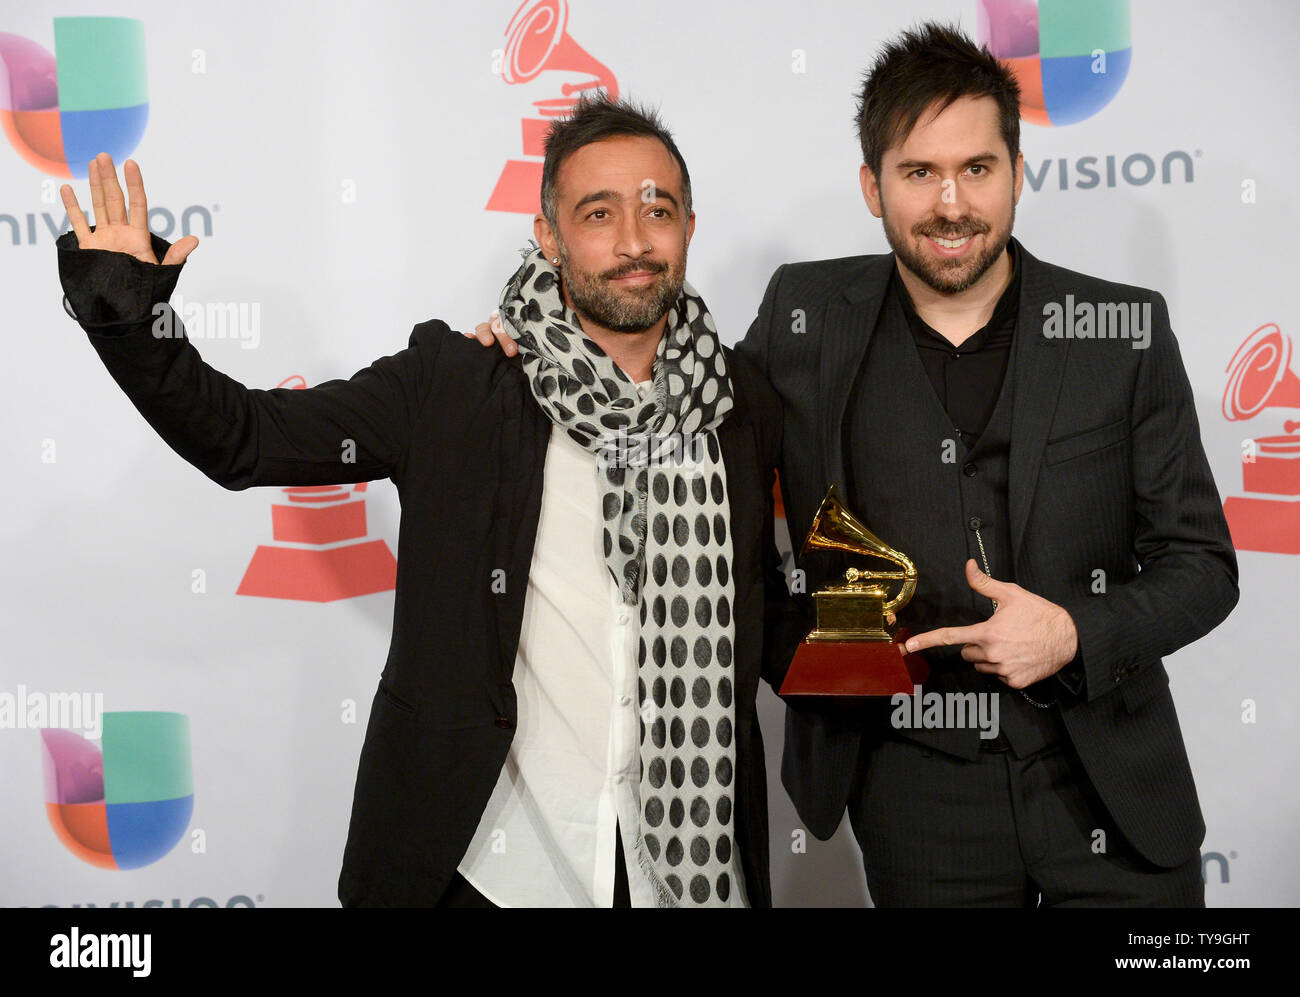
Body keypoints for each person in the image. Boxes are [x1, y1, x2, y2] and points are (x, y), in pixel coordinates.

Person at [54, 96, 791, 907]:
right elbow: (244, 436)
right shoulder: (458, 382)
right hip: (489, 865)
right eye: (597, 212)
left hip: (684, 868)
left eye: (658, 209)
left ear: (689, 223)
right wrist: (130, 308)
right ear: (548, 236)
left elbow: (765, 610)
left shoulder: (741, 401)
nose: (632, 241)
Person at [736, 22, 1238, 906]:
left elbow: (1203, 566)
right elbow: (688, 430)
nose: (952, 203)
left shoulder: (1121, 330)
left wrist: (1074, 634)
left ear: (1017, 170)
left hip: (1111, 784)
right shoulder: (803, 319)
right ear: (871, 185)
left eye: (977, 168)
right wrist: (519, 344)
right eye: (919, 172)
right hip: (913, 787)